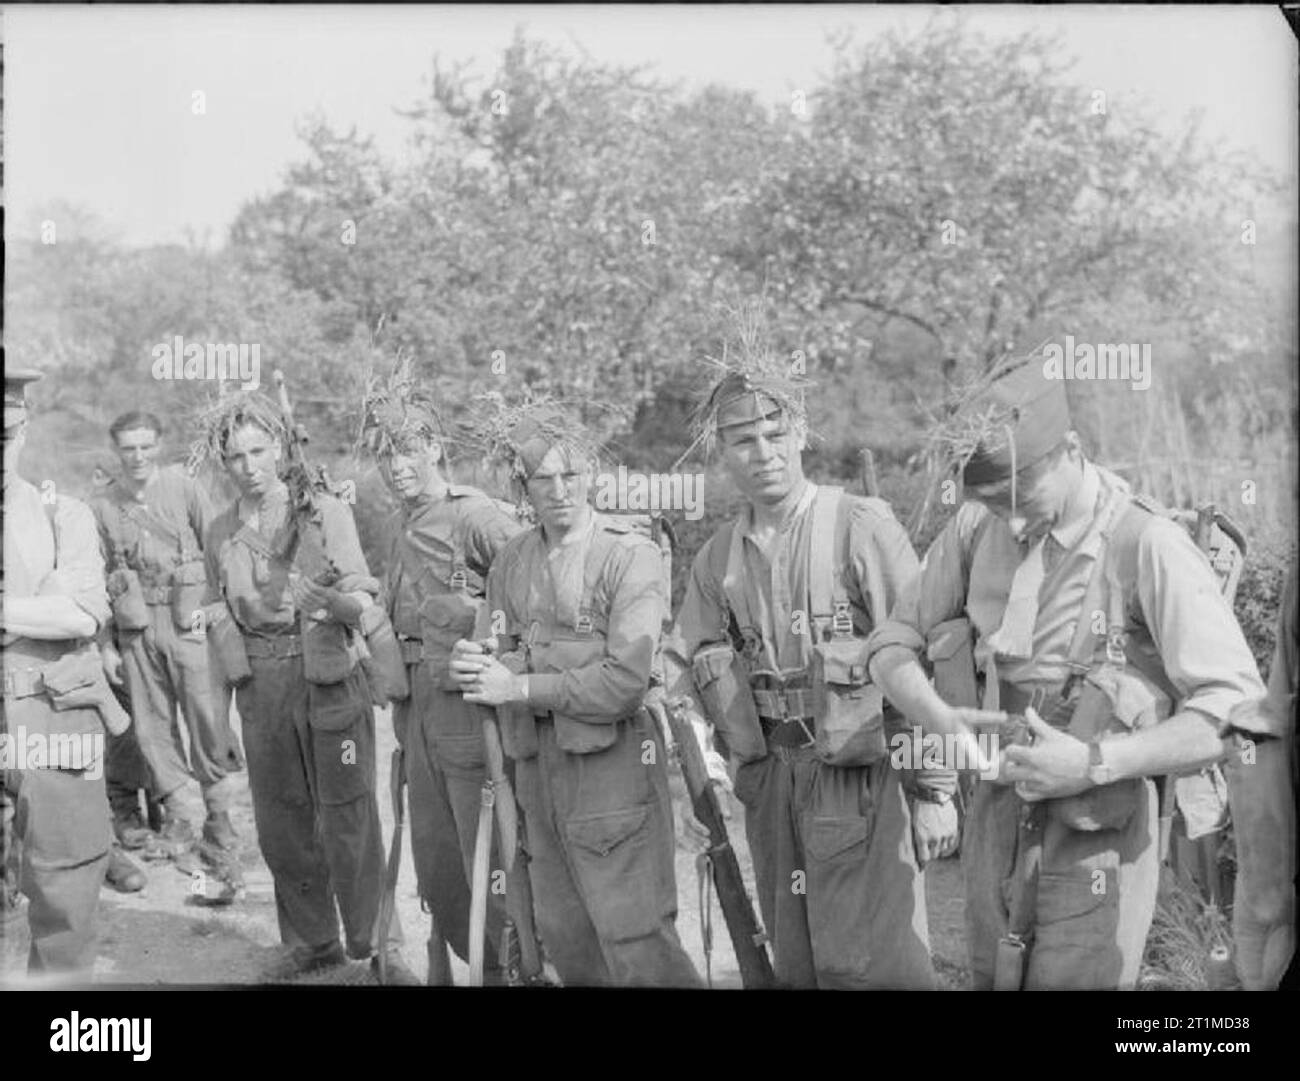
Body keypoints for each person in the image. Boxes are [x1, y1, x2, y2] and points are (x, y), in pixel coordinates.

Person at [866, 355, 1267, 990]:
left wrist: (1092, 761)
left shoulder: (1148, 544)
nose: (1015, 523)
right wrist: (939, 717)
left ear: (1073, 450)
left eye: (1025, 500)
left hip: (1096, 831)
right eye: (998, 505)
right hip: (992, 813)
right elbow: (890, 645)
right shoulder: (976, 526)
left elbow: (1239, 712)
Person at [661, 348, 948, 990]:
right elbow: (679, 675)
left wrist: (934, 792)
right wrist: (706, 781)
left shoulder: (860, 526)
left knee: (878, 964)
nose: (762, 452)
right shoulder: (717, 560)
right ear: (724, 453)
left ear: (800, 436)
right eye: (743, 441)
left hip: (860, 779)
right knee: (798, 964)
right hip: (770, 787)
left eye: (775, 434)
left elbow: (922, 660)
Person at [448, 403, 700, 987]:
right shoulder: (512, 559)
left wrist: (520, 685)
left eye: (572, 475)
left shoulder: (628, 553)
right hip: (537, 770)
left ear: (591, 476)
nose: (560, 490)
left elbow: (624, 682)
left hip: (612, 768)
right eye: (543, 478)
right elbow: (494, 637)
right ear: (523, 486)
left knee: (635, 934)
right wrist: (474, 659)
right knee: (564, 931)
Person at [196, 389, 416, 983]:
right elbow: (217, 619)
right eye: (235, 456)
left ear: (281, 448)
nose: (249, 466)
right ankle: (313, 944)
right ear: (223, 462)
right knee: (282, 824)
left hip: (325, 676)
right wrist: (217, 719)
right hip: (261, 689)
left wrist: (334, 601)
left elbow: (363, 595)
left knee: (348, 818)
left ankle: (379, 947)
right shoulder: (218, 530)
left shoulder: (322, 511)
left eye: (259, 451)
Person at [358, 371, 522, 982]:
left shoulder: (475, 516)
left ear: (434, 446)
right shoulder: (400, 521)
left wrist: (495, 653)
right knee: (439, 858)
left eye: (406, 448)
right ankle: (475, 963)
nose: (395, 465)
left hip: (469, 712)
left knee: (491, 850)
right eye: (384, 453)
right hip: (419, 709)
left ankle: (515, 967)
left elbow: (534, 588)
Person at [91, 411, 244, 874]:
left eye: (145, 446)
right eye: (128, 448)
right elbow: (96, 581)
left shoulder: (183, 485)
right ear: (116, 451)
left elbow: (219, 548)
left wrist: (222, 620)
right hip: (137, 628)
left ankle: (219, 823)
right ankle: (181, 818)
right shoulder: (103, 505)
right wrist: (106, 645)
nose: (137, 457)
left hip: (188, 620)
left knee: (206, 720)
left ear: (159, 444)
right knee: (152, 729)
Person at [2, 369, 114, 975]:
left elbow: (80, 614)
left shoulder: (61, 514)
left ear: (24, 428)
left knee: (64, 892)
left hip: (48, 715)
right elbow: (53, 610)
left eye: (5, 434)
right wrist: (33, 609)